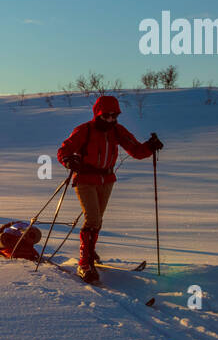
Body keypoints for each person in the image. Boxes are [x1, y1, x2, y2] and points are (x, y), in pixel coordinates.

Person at [56, 95, 163, 282]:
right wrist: (67, 159)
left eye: (114, 116)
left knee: (97, 220)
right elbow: (64, 150)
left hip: (107, 179)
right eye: (107, 116)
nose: (111, 120)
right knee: (93, 218)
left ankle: (89, 252)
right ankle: (85, 263)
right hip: (85, 179)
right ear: (98, 114)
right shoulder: (85, 130)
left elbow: (136, 151)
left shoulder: (117, 131)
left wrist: (149, 147)